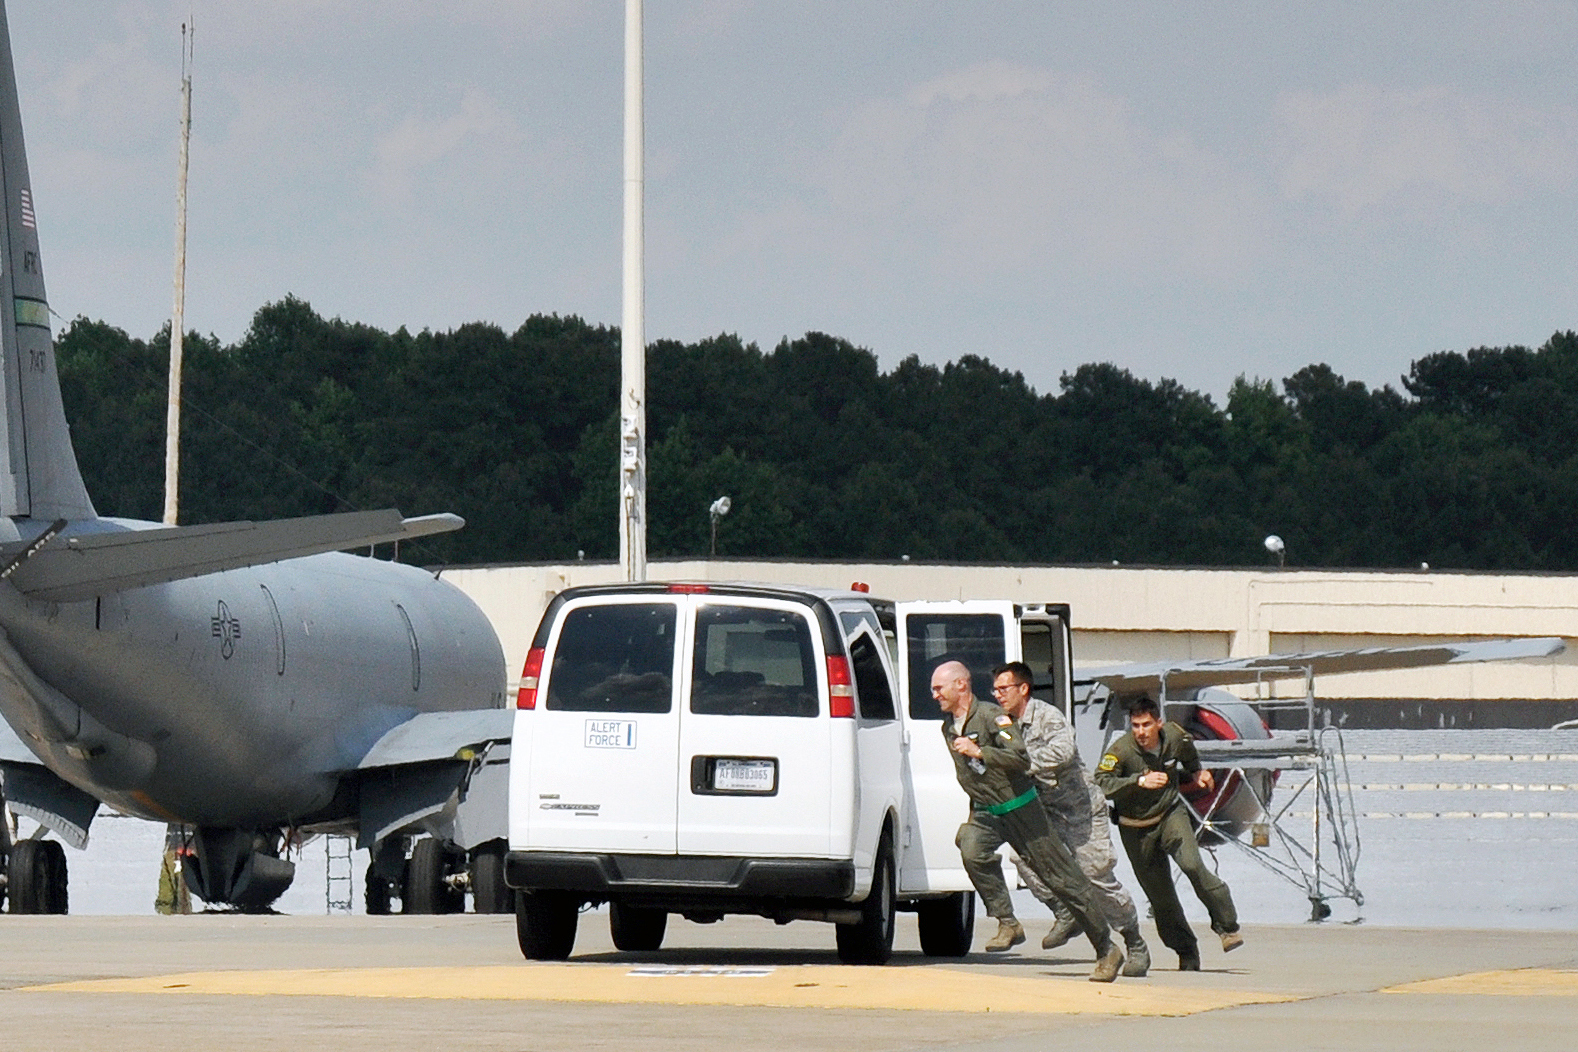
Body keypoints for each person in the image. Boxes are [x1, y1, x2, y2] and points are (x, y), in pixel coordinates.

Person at [930, 660, 1124, 983]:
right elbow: (973, 778)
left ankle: (1106, 948)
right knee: (971, 847)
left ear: (961, 685)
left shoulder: (993, 717)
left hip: (1021, 809)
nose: (934, 694)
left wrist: (981, 752)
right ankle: (1007, 922)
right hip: (987, 812)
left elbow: (1020, 757)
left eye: (939, 688)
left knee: (1065, 880)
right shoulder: (948, 726)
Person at [989, 662, 1151, 977]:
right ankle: (1065, 911)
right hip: (1042, 812)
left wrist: (1020, 763)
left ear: (1023, 689)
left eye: (1003, 689)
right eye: (994, 690)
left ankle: (1134, 942)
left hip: (1080, 810)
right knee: (1023, 857)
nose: (997, 695)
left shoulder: (1048, 716)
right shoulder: (1001, 725)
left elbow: (1062, 753)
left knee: (1095, 877)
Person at [1093, 696, 1243, 970]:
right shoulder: (1121, 751)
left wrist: (1197, 774)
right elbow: (1101, 782)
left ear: (1158, 723)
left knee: (1192, 864)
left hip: (1170, 814)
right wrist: (1139, 781)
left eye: (1146, 725)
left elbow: (1189, 758)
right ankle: (1186, 951)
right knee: (1161, 897)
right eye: (1135, 725)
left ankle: (1227, 926)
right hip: (1135, 828)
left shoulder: (1175, 736)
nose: (1141, 732)